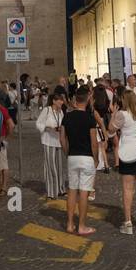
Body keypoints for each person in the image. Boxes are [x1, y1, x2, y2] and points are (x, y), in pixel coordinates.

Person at [111, 88, 136, 234]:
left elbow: (110, 130)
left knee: (128, 188)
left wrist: (113, 112)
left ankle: (128, 223)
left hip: (127, 151)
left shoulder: (122, 114)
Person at [62, 86, 98, 236]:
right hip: (86, 157)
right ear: (87, 100)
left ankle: (70, 224)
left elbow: (62, 138)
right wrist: (95, 159)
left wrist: (67, 152)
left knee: (72, 190)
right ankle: (81, 226)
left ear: (75, 100)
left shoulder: (67, 117)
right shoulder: (89, 118)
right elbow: (93, 142)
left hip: (72, 157)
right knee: (84, 192)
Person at [36, 91, 67, 199]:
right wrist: (47, 128)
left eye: (62, 100)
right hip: (48, 140)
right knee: (51, 166)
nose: (62, 102)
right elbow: (39, 123)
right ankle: (51, 191)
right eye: (60, 100)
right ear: (54, 101)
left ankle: (60, 189)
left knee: (59, 167)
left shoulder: (61, 112)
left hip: (58, 141)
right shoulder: (47, 110)